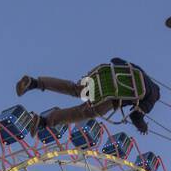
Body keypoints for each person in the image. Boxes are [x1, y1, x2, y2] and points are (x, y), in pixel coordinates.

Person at [15, 57, 159, 134]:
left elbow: (115, 60)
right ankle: (43, 121)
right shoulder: (151, 99)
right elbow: (136, 116)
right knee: (83, 112)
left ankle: (34, 83)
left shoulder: (139, 71)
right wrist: (143, 128)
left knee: (74, 89)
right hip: (109, 98)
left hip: (100, 80)